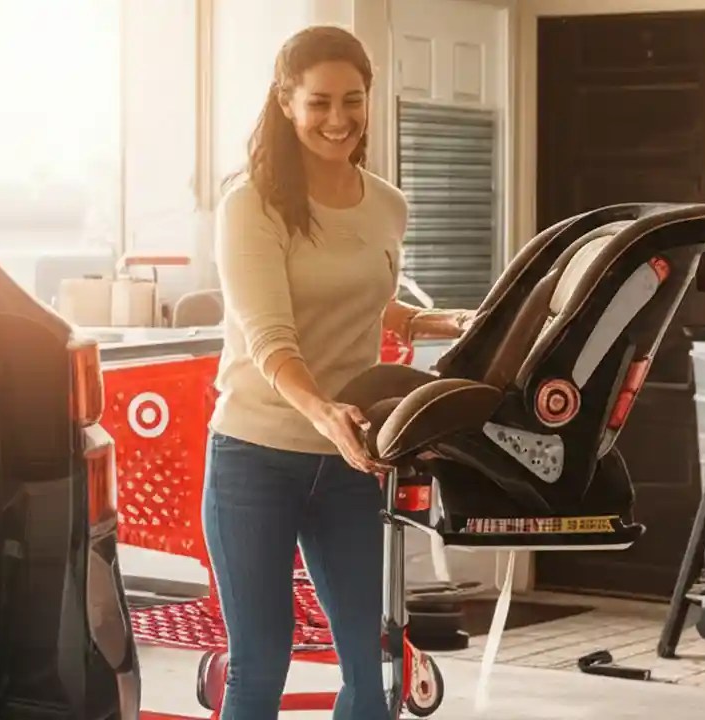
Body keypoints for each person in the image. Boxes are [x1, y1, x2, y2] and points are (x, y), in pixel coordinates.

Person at [203, 24, 472, 720]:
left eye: (352, 101)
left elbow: (362, 299)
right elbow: (269, 336)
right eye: (319, 102)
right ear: (286, 103)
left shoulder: (387, 204)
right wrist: (324, 411)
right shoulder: (251, 204)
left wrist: (436, 322)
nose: (338, 119)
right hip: (256, 455)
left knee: (375, 661)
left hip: (354, 456)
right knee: (262, 663)